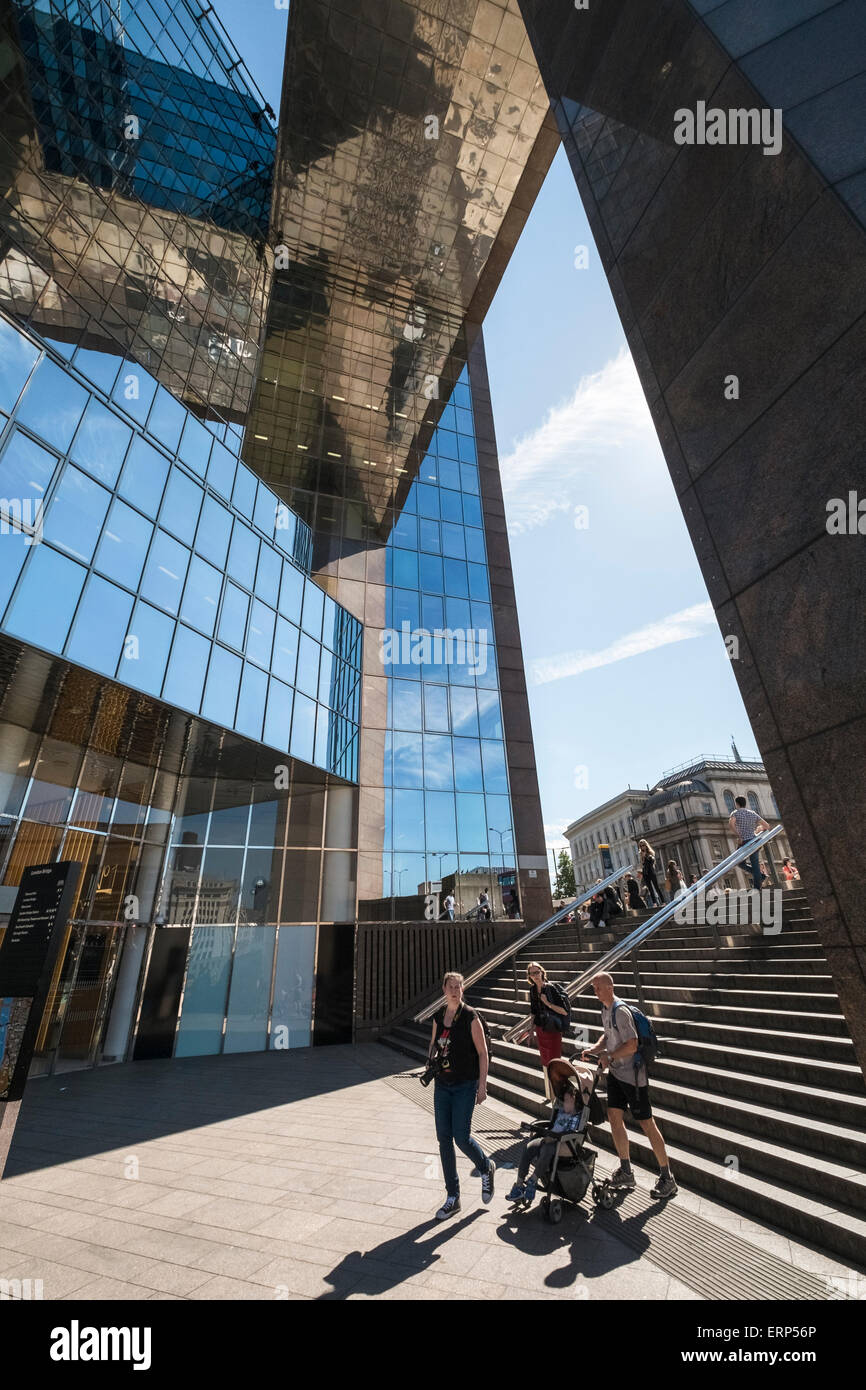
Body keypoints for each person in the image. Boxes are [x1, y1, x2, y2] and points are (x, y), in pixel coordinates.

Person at [581, 971, 678, 1200]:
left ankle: (668, 1177)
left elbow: (632, 1045)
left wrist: (609, 1057)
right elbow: (608, 1035)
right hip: (617, 1074)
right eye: (593, 987)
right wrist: (596, 1050)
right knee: (614, 1117)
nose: (594, 991)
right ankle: (626, 1171)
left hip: (634, 1077)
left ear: (609, 987)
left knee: (646, 1123)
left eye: (597, 987)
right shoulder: (605, 1009)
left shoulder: (621, 1011)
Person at [427, 972, 495, 1219]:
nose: (455, 990)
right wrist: (430, 1063)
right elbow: (434, 1045)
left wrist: (482, 1085)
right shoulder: (438, 1016)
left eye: (459, 986)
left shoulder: (470, 1016)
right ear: (444, 989)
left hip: (465, 1085)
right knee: (443, 1139)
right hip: (442, 1085)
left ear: (463, 989)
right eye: (451, 986)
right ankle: (452, 1196)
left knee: (461, 1138)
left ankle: (486, 1167)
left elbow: (482, 1053)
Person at [506, 1074, 584, 1204]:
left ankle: (533, 1180)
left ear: (573, 1099)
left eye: (567, 1100)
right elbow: (552, 1125)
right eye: (563, 1100)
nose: (564, 1103)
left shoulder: (576, 1117)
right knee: (529, 1147)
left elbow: (571, 1133)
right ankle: (519, 1185)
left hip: (564, 1144)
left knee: (547, 1149)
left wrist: (553, 1139)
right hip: (550, 1138)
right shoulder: (560, 1112)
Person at [527, 961, 568, 1073]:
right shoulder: (532, 990)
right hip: (540, 1030)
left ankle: (558, 1087)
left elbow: (564, 1011)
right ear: (529, 976)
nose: (535, 976)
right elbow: (533, 1012)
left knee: (554, 1061)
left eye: (536, 972)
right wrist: (531, 1031)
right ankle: (549, 1087)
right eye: (531, 974)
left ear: (542, 972)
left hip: (553, 1029)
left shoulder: (551, 988)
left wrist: (547, 1003)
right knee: (545, 1061)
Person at [728, 796, 770, 890]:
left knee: (738, 862)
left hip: (744, 842)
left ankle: (758, 883)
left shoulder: (735, 813)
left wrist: (739, 835)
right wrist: (758, 830)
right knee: (754, 864)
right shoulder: (752, 813)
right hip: (754, 841)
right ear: (745, 803)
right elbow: (767, 826)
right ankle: (760, 880)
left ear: (736, 804)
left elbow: (731, 824)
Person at [638, 838, 665, 906]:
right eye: (640, 846)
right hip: (645, 873)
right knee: (650, 889)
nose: (642, 847)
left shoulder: (650, 852)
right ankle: (654, 903)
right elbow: (642, 865)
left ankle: (663, 902)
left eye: (643, 845)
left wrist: (646, 857)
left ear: (646, 845)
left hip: (651, 871)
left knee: (657, 887)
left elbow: (652, 862)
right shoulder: (641, 854)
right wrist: (643, 858)